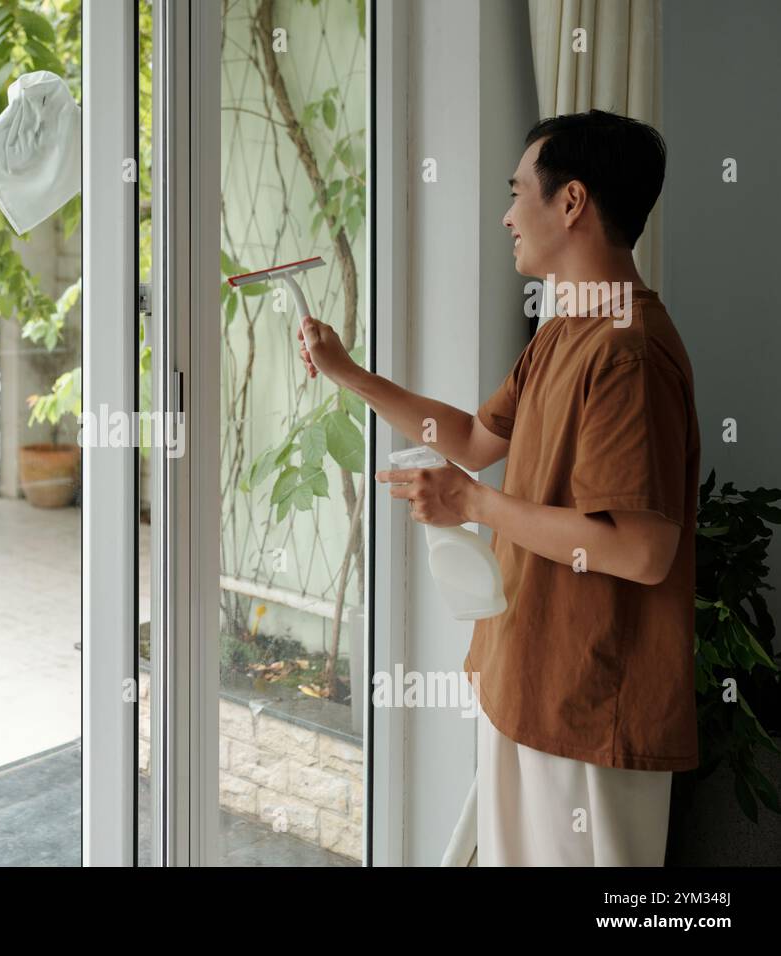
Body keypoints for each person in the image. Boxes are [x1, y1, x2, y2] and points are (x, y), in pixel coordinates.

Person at [298, 110, 699, 866]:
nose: (509, 215)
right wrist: (348, 373)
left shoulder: (627, 356)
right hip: (529, 682)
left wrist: (474, 503)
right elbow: (475, 441)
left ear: (571, 201)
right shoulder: (565, 328)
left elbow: (643, 553)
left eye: (519, 193)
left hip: (592, 710)